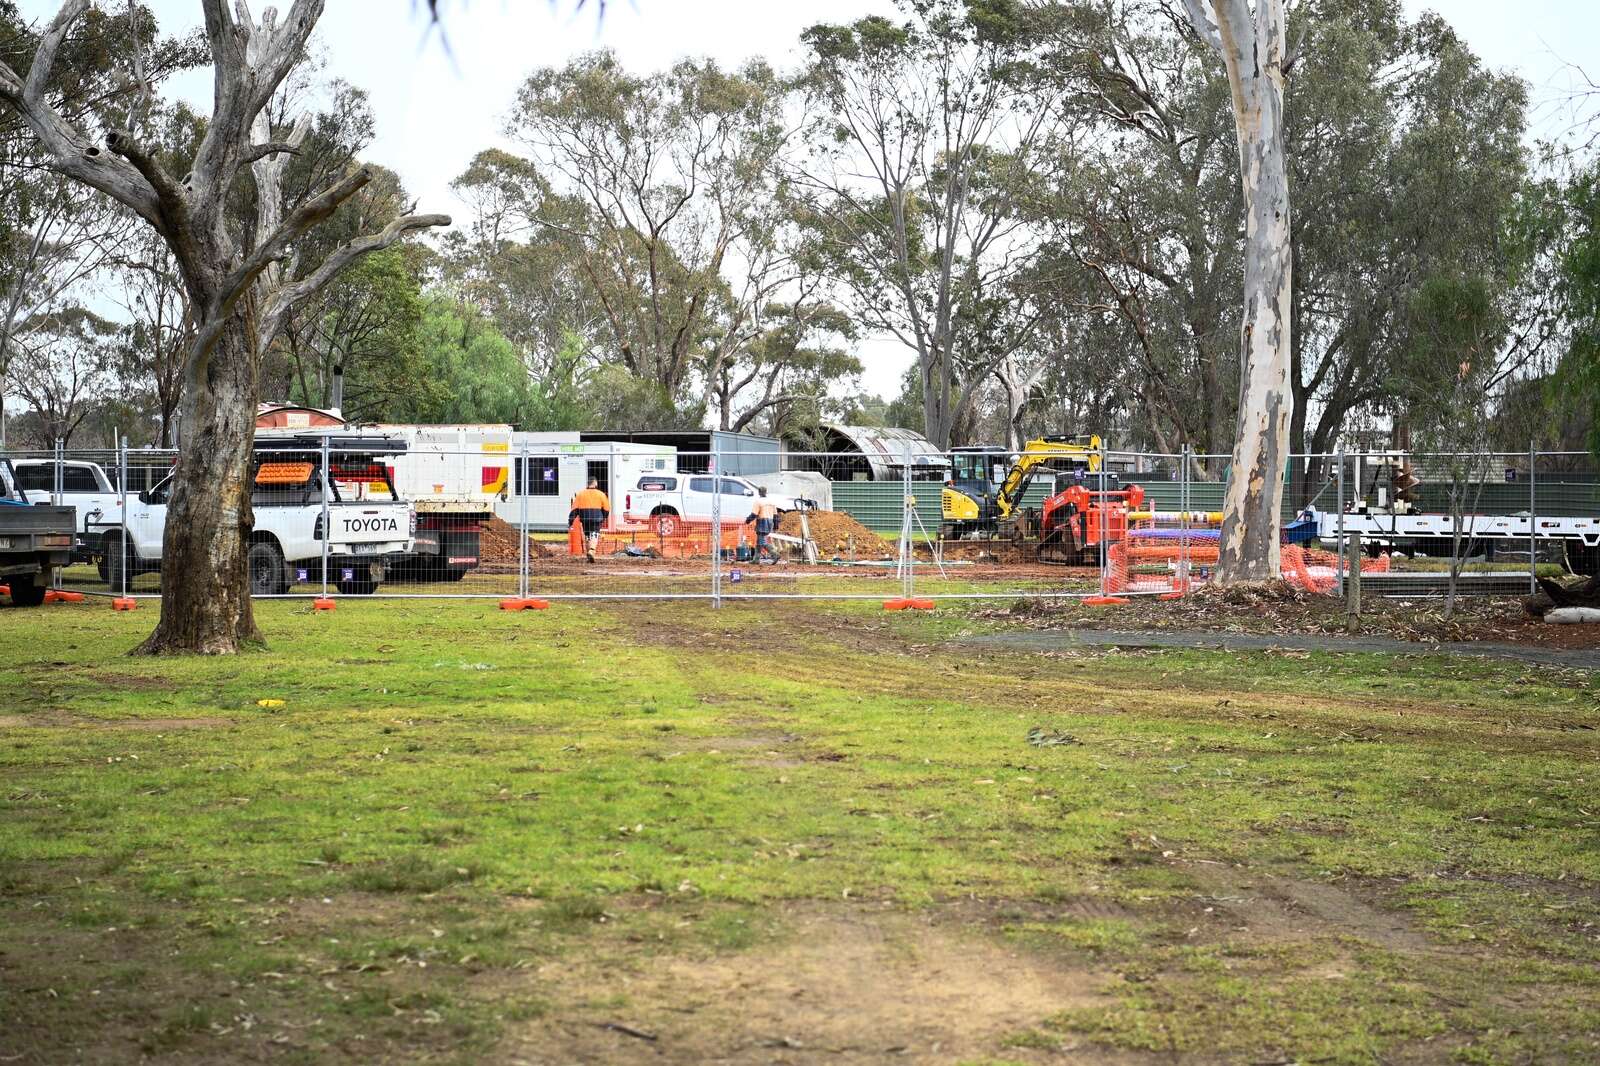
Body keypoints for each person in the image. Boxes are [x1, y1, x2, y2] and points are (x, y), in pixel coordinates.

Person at [569, 478, 610, 563]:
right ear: (595, 484)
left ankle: (589, 556)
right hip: (596, 517)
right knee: (594, 534)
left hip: (585, 518)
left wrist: (571, 521)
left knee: (587, 535)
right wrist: (604, 517)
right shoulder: (601, 494)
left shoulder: (580, 494)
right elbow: (606, 508)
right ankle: (592, 551)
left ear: (587, 484)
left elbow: (574, 509)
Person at [744, 487, 780, 564]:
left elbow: (754, 514)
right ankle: (756, 559)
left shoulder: (758, 501)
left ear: (759, 492)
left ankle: (775, 554)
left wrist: (748, 520)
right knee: (759, 542)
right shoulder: (771, 501)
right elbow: (776, 515)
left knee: (762, 542)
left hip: (762, 521)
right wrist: (776, 525)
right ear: (766, 492)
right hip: (770, 522)